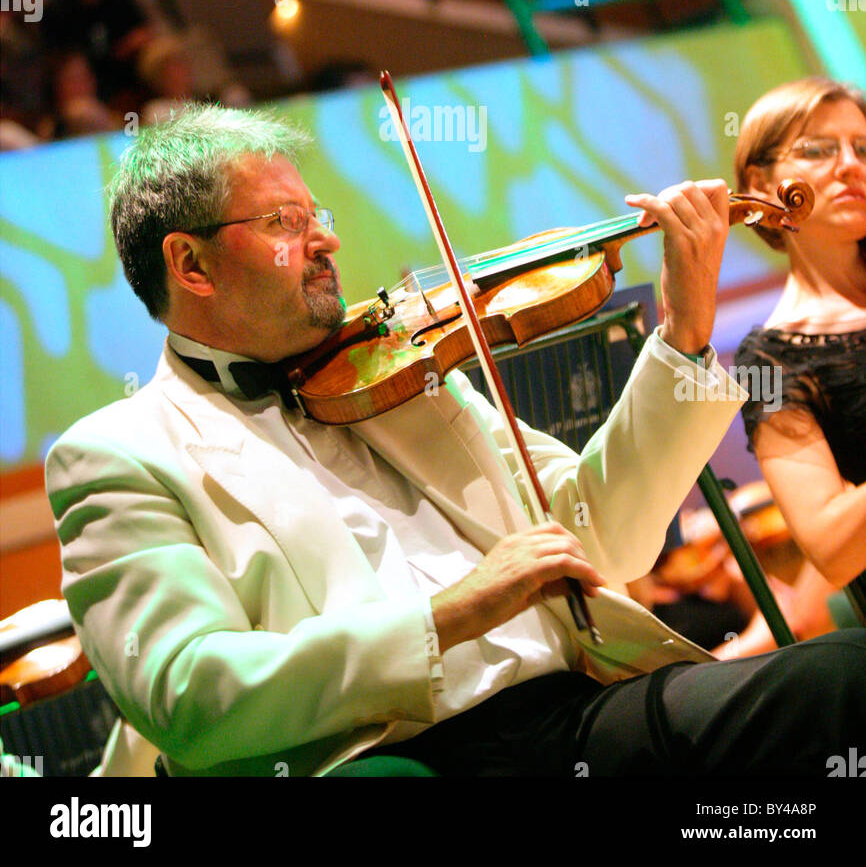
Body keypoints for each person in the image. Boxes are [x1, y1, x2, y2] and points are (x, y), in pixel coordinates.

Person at [45, 104, 865, 778]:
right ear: (190, 264)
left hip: (577, 711)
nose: (327, 240)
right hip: (408, 757)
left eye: (317, 215)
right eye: (286, 222)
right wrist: (447, 614)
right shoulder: (118, 454)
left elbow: (600, 539)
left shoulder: (406, 372)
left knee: (844, 676)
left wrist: (686, 333)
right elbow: (191, 694)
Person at [734, 78, 866, 623]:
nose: (850, 165)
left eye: (862, 148)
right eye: (818, 149)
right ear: (760, 183)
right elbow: (832, 549)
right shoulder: (768, 360)